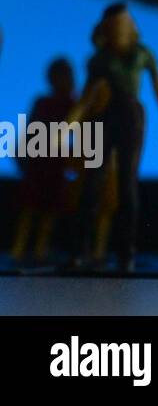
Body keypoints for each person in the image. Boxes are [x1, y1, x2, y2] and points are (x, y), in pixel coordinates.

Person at [71, 3, 158, 272]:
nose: (120, 28)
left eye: (124, 23)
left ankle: (126, 252)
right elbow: (86, 98)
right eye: (115, 24)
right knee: (93, 181)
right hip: (105, 118)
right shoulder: (99, 59)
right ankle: (82, 250)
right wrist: (67, 126)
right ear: (106, 29)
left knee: (127, 184)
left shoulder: (143, 54)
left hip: (132, 117)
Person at [10, 58, 77, 264]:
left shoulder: (73, 105)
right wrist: (21, 156)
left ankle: (40, 251)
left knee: (48, 215)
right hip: (38, 166)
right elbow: (30, 131)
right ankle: (18, 251)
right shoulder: (43, 103)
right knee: (29, 213)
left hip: (55, 168)